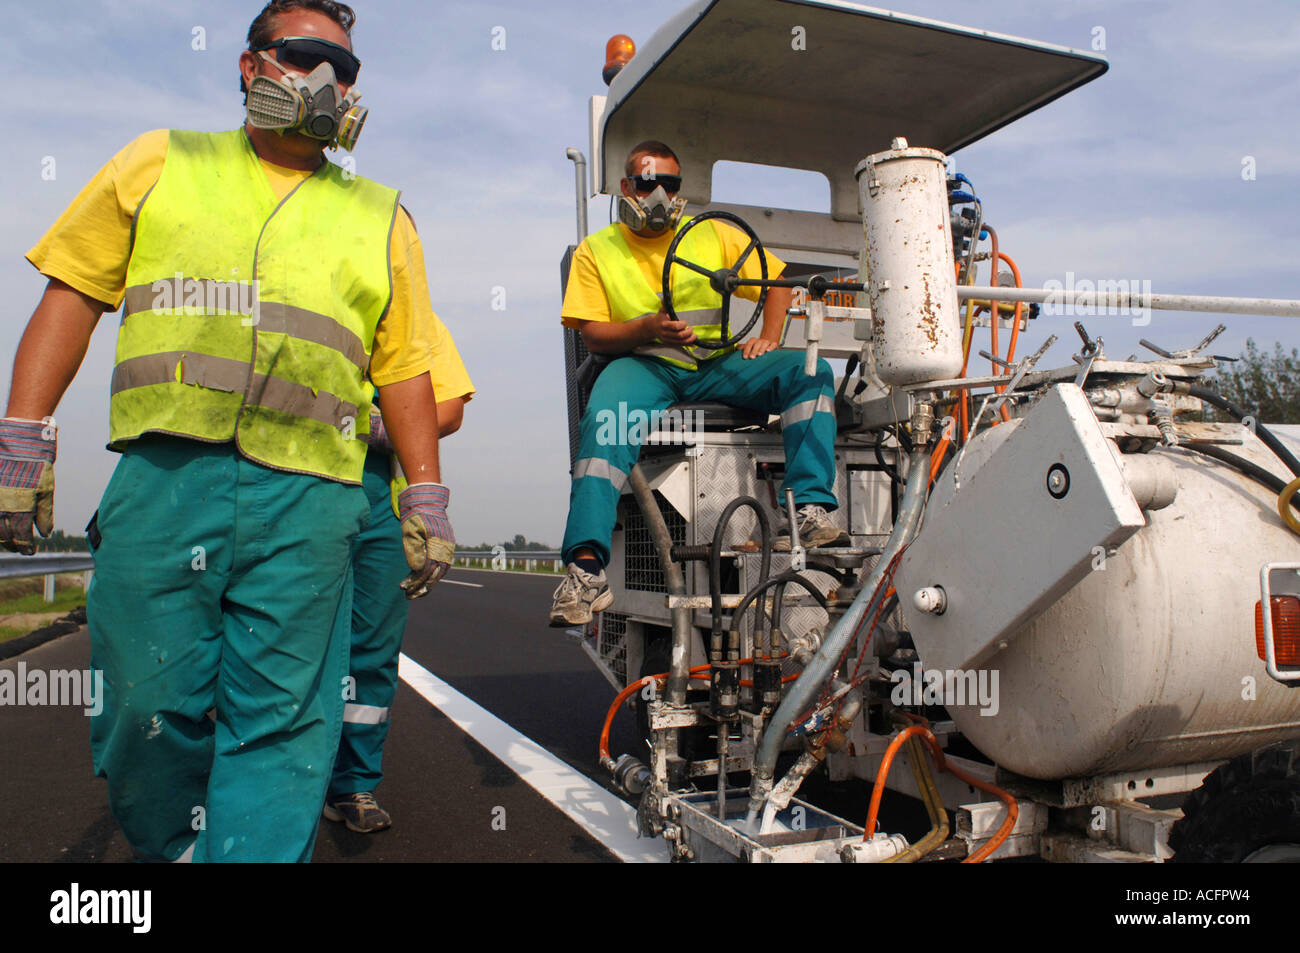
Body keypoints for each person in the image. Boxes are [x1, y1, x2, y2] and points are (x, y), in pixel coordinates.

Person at [0, 0, 455, 862]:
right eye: (303, 55)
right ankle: (175, 847)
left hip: (314, 498)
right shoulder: (161, 162)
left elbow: (405, 368)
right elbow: (72, 296)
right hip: (168, 478)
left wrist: (423, 494)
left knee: (282, 725)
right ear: (250, 68)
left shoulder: (382, 215)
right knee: (143, 702)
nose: (326, 81)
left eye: (344, 68)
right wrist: (21, 436)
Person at [550, 140, 842, 627]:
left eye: (671, 183)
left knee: (809, 372)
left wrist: (770, 338)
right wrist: (646, 328)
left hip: (716, 361)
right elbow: (594, 334)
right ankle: (585, 570)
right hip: (644, 361)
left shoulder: (714, 236)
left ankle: (809, 510)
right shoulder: (596, 251)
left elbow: (778, 285)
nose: (660, 194)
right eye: (648, 183)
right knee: (605, 421)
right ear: (627, 188)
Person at [324, 316, 474, 834]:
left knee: (372, 648)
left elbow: (450, 408)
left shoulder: (420, 319)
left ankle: (353, 784)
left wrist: (376, 423)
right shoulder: (313, 296)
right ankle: (292, 776)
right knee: (295, 641)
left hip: (380, 497)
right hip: (303, 482)